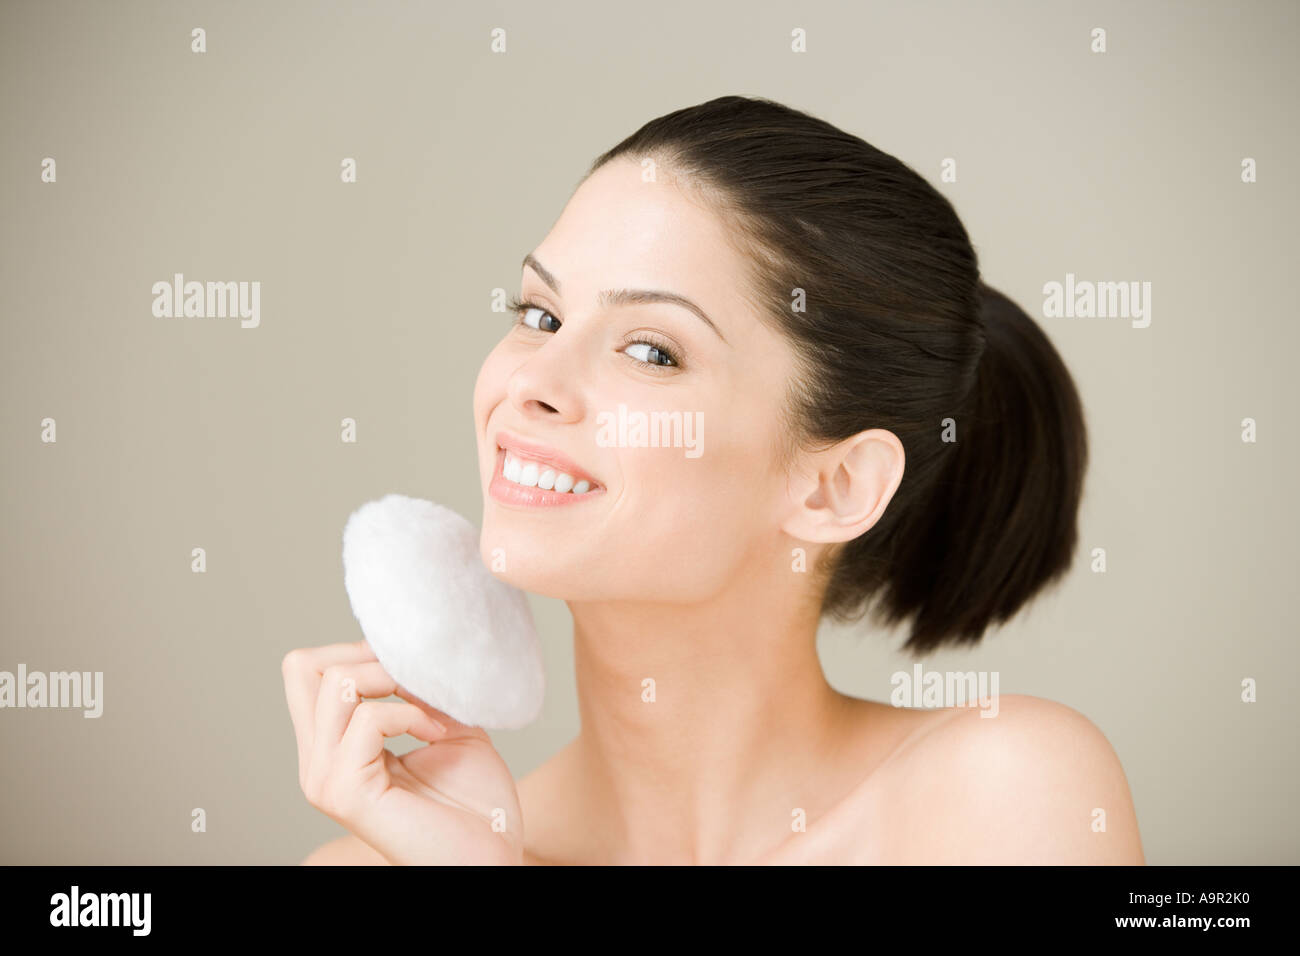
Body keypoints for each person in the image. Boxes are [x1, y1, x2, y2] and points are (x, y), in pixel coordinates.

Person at [282, 95, 1144, 865]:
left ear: (834, 485)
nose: (532, 381)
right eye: (540, 314)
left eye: (652, 350)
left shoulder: (1003, 795)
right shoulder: (392, 860)